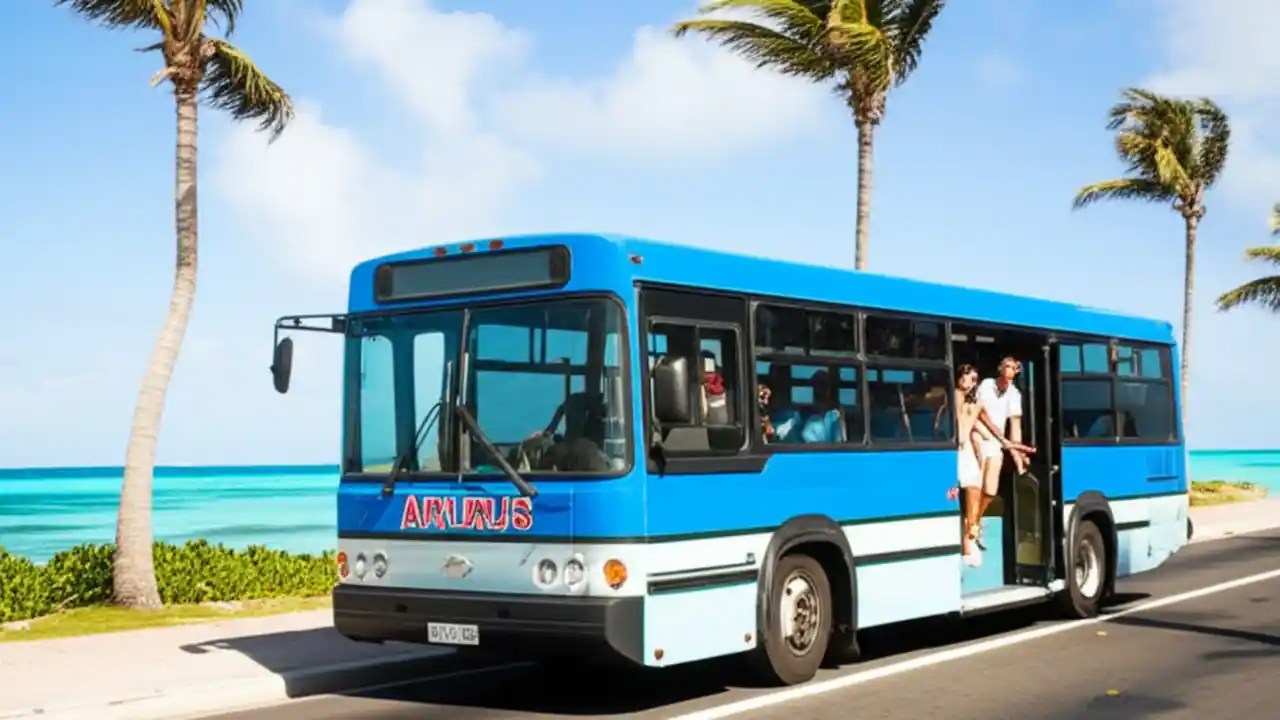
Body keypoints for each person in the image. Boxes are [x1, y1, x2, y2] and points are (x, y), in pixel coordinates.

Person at [971, 356, 1035, 550]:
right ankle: (973, 527)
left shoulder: (1015, 394)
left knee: (990, 491)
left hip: (996, 446)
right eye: (1007, 366)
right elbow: (978, 413)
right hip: (980, 438)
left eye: (1014, 368)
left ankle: (976, 519)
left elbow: (1015, 425)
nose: (1010, 371)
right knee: (976, 486)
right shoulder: (986, 385)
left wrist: (1018, 452)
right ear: (1000, 369)